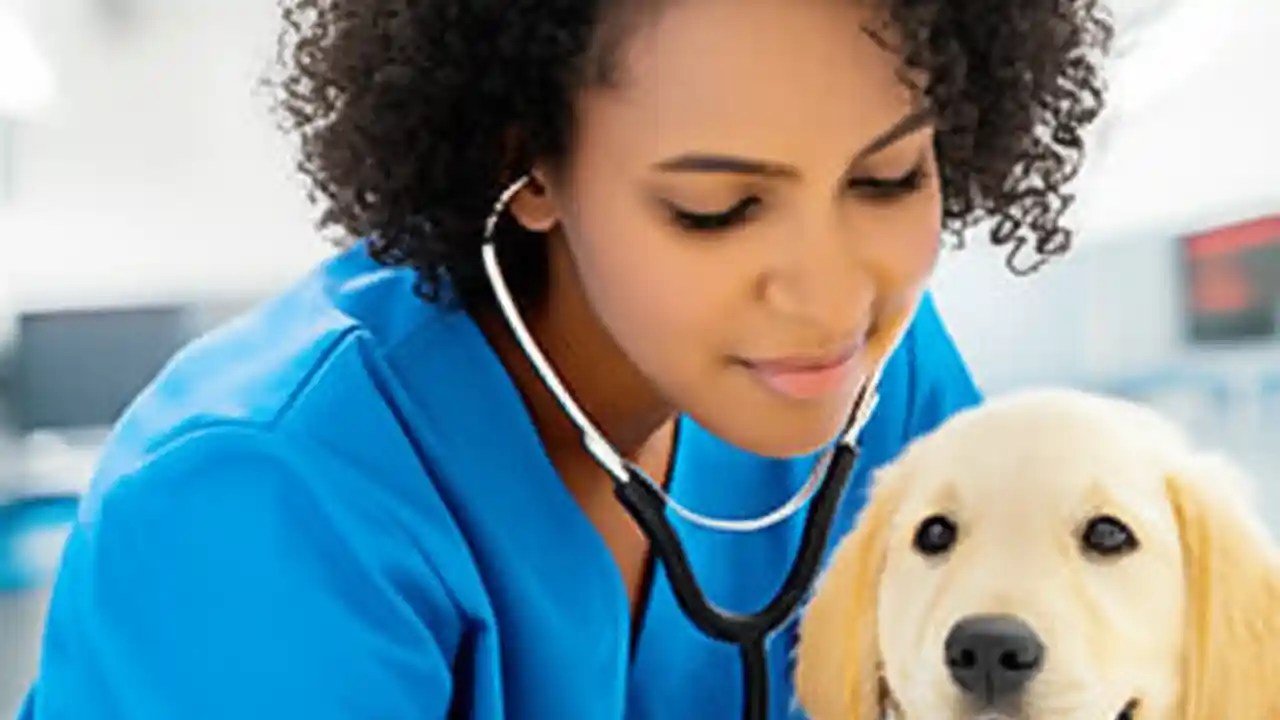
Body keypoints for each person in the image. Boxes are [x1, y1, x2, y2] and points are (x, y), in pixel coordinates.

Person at [18, 0, 1111, 718]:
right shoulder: (258, 499)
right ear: (529, 166)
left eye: (884, 183)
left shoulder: (876, 377)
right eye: (717, 208)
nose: (830, 294)